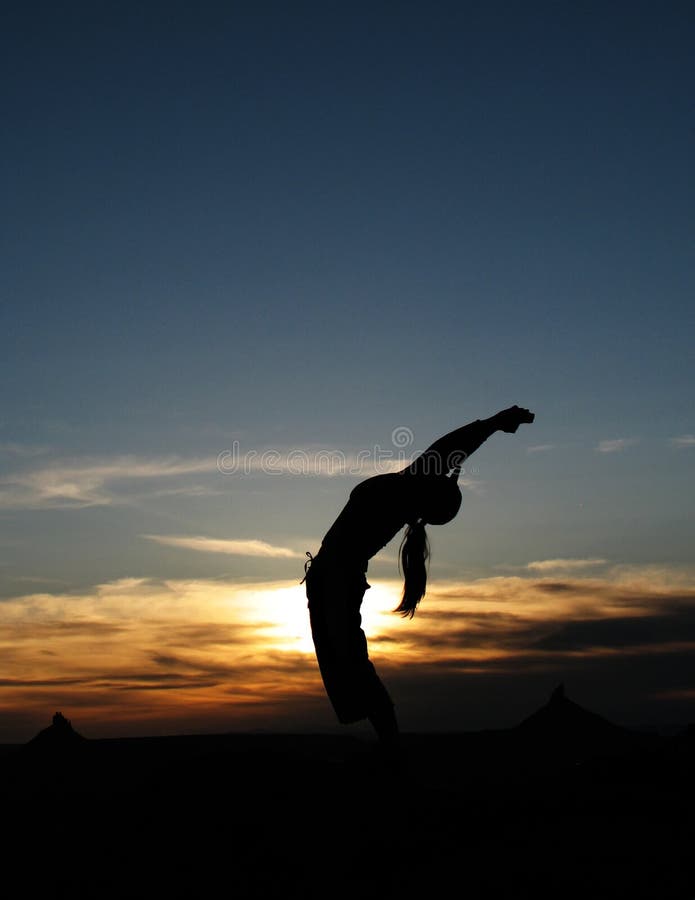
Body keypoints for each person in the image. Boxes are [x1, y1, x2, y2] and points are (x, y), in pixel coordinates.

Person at [302, 405, 534, 751]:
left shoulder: (408, 489)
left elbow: (449, 448)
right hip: (332, 581)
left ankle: (392, 746)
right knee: (347, 668)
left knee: (351, 667)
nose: (441, 472)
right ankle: (390, 743)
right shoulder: (409, 493)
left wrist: (494, 424)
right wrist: (494, 425)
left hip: (336, 581)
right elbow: (451, 452)